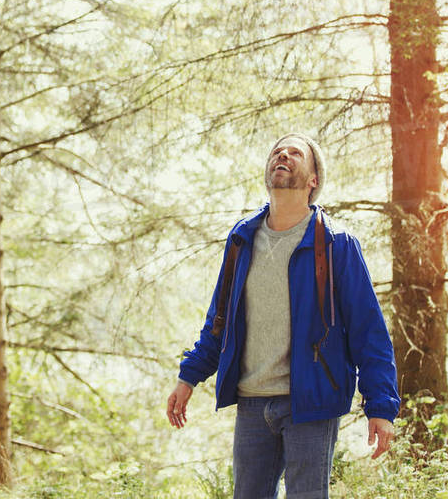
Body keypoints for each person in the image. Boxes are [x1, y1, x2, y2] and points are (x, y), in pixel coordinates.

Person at [166, 133, 400, 499]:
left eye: (295, 153)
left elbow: (369, 333)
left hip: (310, 403)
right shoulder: (242, 238)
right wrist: (188, 377)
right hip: (252, 402)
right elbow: (220, 320)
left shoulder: (337, 244)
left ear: (313, 180)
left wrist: (381, 407)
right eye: (277, 151)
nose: (283, 155)